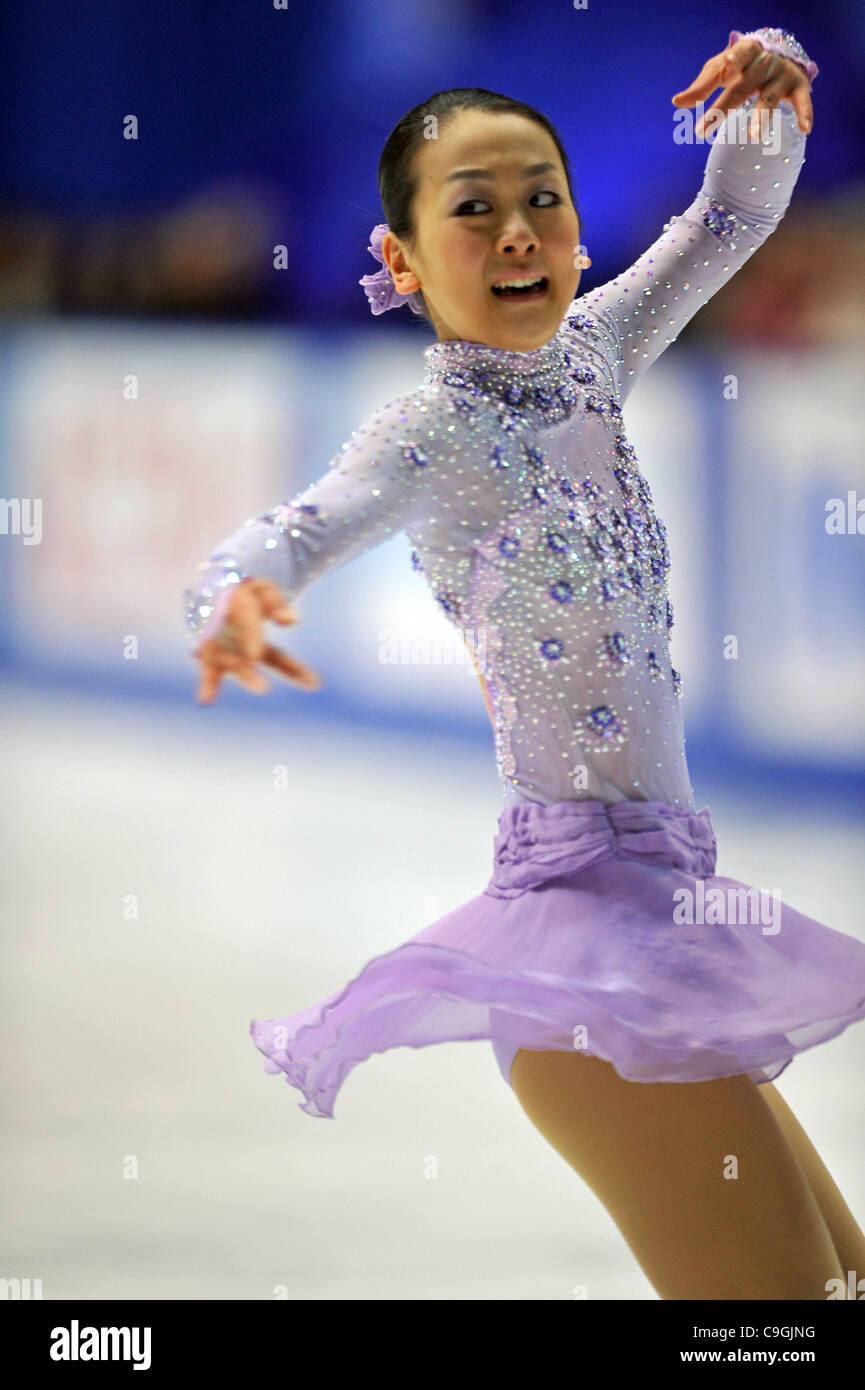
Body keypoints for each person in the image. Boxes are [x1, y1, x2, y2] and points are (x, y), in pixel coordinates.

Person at [183, 28, 865, 1299]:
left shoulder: (597, 355)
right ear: (397, 258)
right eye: (474, 207)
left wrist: (770, 82)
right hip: (582, 974)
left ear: (576, 231)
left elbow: (730, 217)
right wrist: (235, 594)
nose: (516, 231)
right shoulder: (428, 430)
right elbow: (299, 524)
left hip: (666, 926)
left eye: (540, 200)